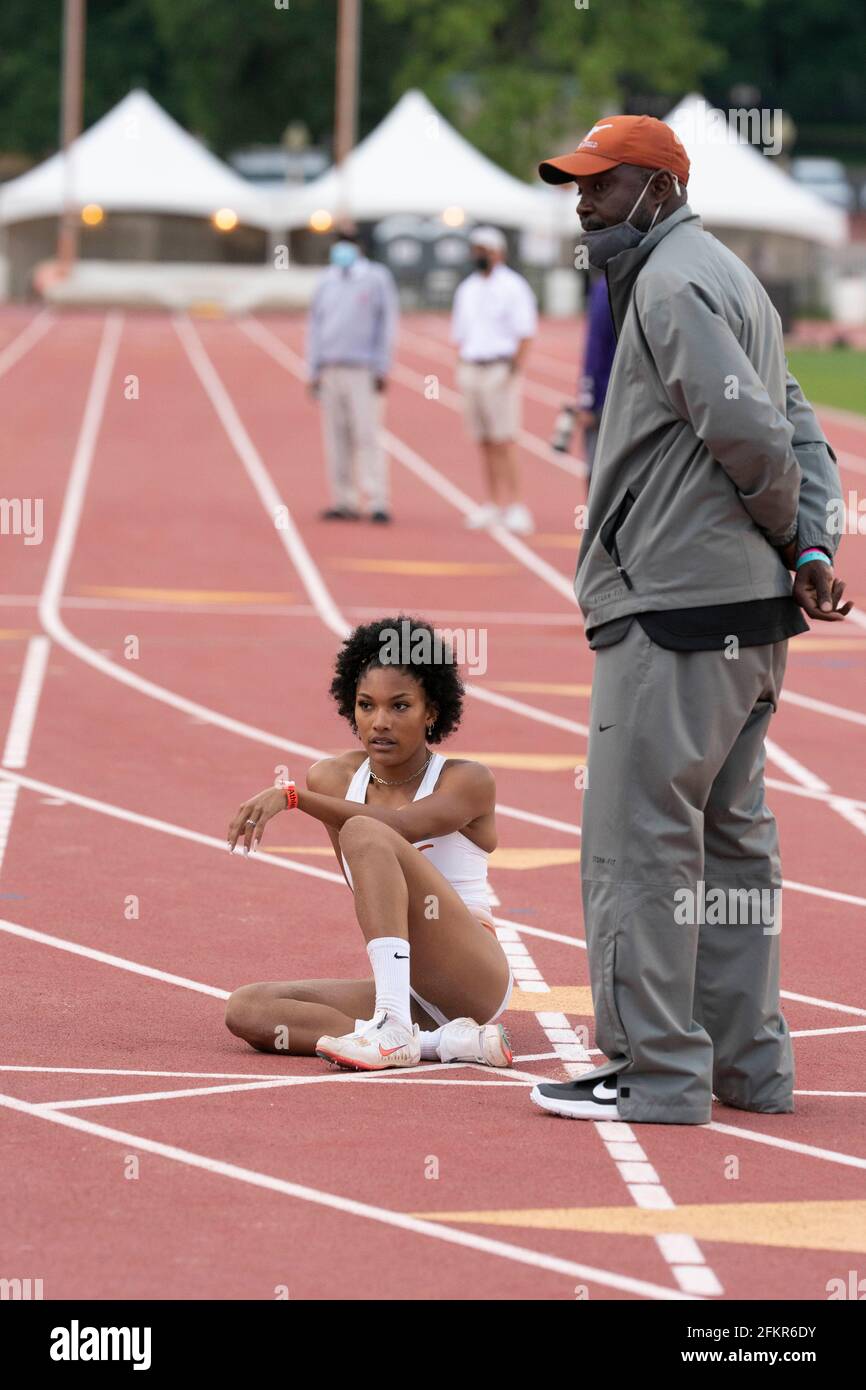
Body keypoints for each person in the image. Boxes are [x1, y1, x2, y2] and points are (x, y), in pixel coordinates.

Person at [530, 114, 850, 1123]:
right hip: (744, 612)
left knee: (639, 843)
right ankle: (748, 1066)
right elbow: (796, 416)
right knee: (732, 844)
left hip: (676, 603)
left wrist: (782, 526)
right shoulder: (725, 274)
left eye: (601, 184)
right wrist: (805, 546)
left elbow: (753, 428)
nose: (581, 201)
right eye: (575, 185)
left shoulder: (670, 282)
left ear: (659, 189)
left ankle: (654, 1068)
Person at [224, 616, 513, 1071]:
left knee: (365, 829)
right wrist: (312, 794)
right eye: (366, 705)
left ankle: (394, 1027)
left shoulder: (467, 780)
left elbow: (398, 825)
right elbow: (361, 881)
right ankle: (439, 1042)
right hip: (407, 982)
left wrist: (295, 798)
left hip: (471, 973)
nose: (379, 722)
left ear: (431, 712)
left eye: (400, 707)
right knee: (248, 1009)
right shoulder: (333, 778)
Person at [306, 224, 399, 524]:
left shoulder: (375, 279)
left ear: (359, 246)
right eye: (338, 243)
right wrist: (313, 368)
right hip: (331, 366)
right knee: (336, 436)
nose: (342, 249)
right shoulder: (326, 280)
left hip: (363, 368)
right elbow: (315, 326)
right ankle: (343, 499)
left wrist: (383, 366)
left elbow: (387, 324)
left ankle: (376, 500)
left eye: (347, 243)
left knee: (367, 434)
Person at [451, 227, 538, 534]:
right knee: (484, 440)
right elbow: (459, 334)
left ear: (498, 253)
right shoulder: (467, 289)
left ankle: (515, 504)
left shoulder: (514, 287)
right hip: (472, 367)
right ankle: (491, 502)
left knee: (505, 439)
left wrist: (513, 369)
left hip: (501, 367)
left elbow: (526, 333)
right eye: (475, 250)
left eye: (484, 250)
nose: (478, 256)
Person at [577, 270, 617, 480]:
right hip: (634, 398)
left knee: (598, 471)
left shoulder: (606, 287)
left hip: (607, 397)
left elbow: (594, 348)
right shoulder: (646, 282)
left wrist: (587, 401)